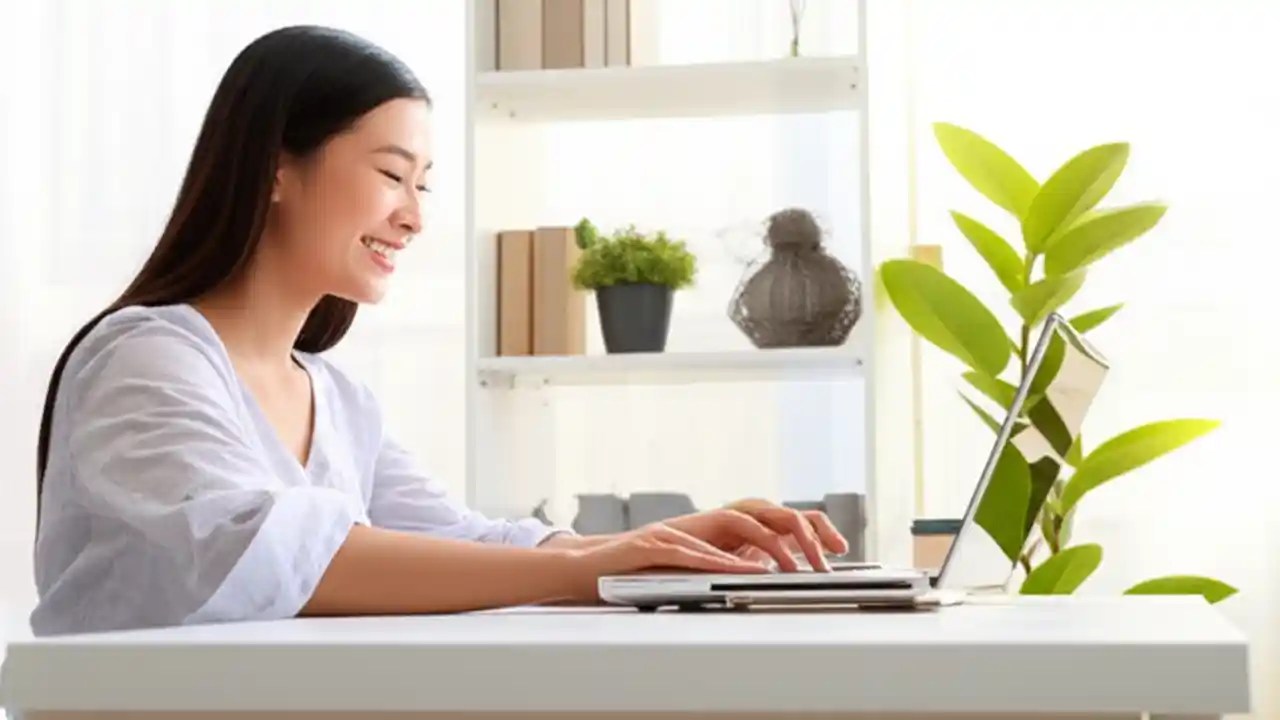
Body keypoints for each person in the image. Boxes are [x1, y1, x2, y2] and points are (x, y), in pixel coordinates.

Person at [29, 25, 849, 637]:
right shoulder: (147, 357)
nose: (415, 216)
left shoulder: (335, 395)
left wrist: (660, 545)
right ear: (277, 166)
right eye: (391, 175)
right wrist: (595, 571)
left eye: (424, 184)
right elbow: (274, 555)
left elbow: (465, 540)